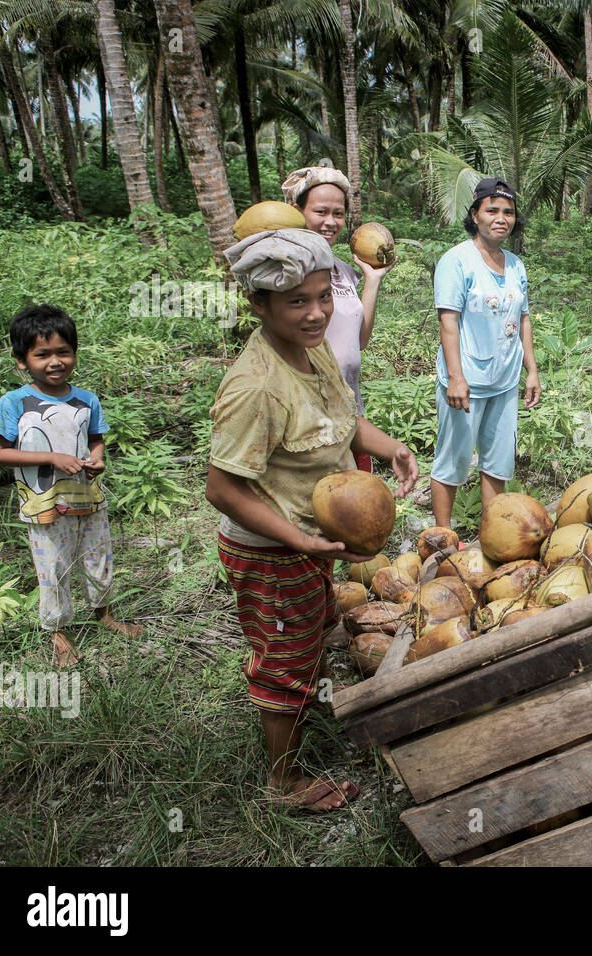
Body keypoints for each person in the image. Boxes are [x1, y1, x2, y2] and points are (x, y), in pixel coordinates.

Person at [205, 228, 418, 812]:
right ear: (259, 303)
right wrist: (300, 539)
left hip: (311, 542)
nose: (317, 312)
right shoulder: (255, 387)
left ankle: (310, 705)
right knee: (282, 660)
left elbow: (344, 424)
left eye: (324, 296)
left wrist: (391, 444)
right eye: (298, 301)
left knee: (315, 629)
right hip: (271, 549)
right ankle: (284, 785)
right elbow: (222, 488)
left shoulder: (314, 347)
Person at [0, 305, 143, 667]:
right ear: (22, 360)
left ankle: (104, 614)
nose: (55, 361)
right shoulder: (15, 403)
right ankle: (58, 632)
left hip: (89, 500)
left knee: (98, 560)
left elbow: (95, 440)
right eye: (42, 354)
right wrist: (52, 458)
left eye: (63, 352)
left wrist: (98, 459)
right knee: (54, 568)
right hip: (44, 507)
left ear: (74, 353)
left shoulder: (87, 400)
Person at [429, 177, 541, 529]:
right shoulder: (456, 261)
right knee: (454, 460)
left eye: (508, 212)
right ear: (475, 214)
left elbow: (522, 319)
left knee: (498, 463)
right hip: (467, 382)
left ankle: (494, 535)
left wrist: (531, 370)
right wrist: (456, 378)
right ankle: (443, 539)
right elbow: (449, 323)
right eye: (492, 210)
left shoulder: (516, 265)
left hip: (505, 382)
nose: (501, 218)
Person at [281, 165, 396, 472]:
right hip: (309, 410)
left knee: (358, 497)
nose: (331, 222)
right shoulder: (288, 267)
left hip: (348, 404)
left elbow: (359, 340)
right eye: (321, 211)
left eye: (339, 213)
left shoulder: (343, 271)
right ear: (297, 211)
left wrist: (372, 279)